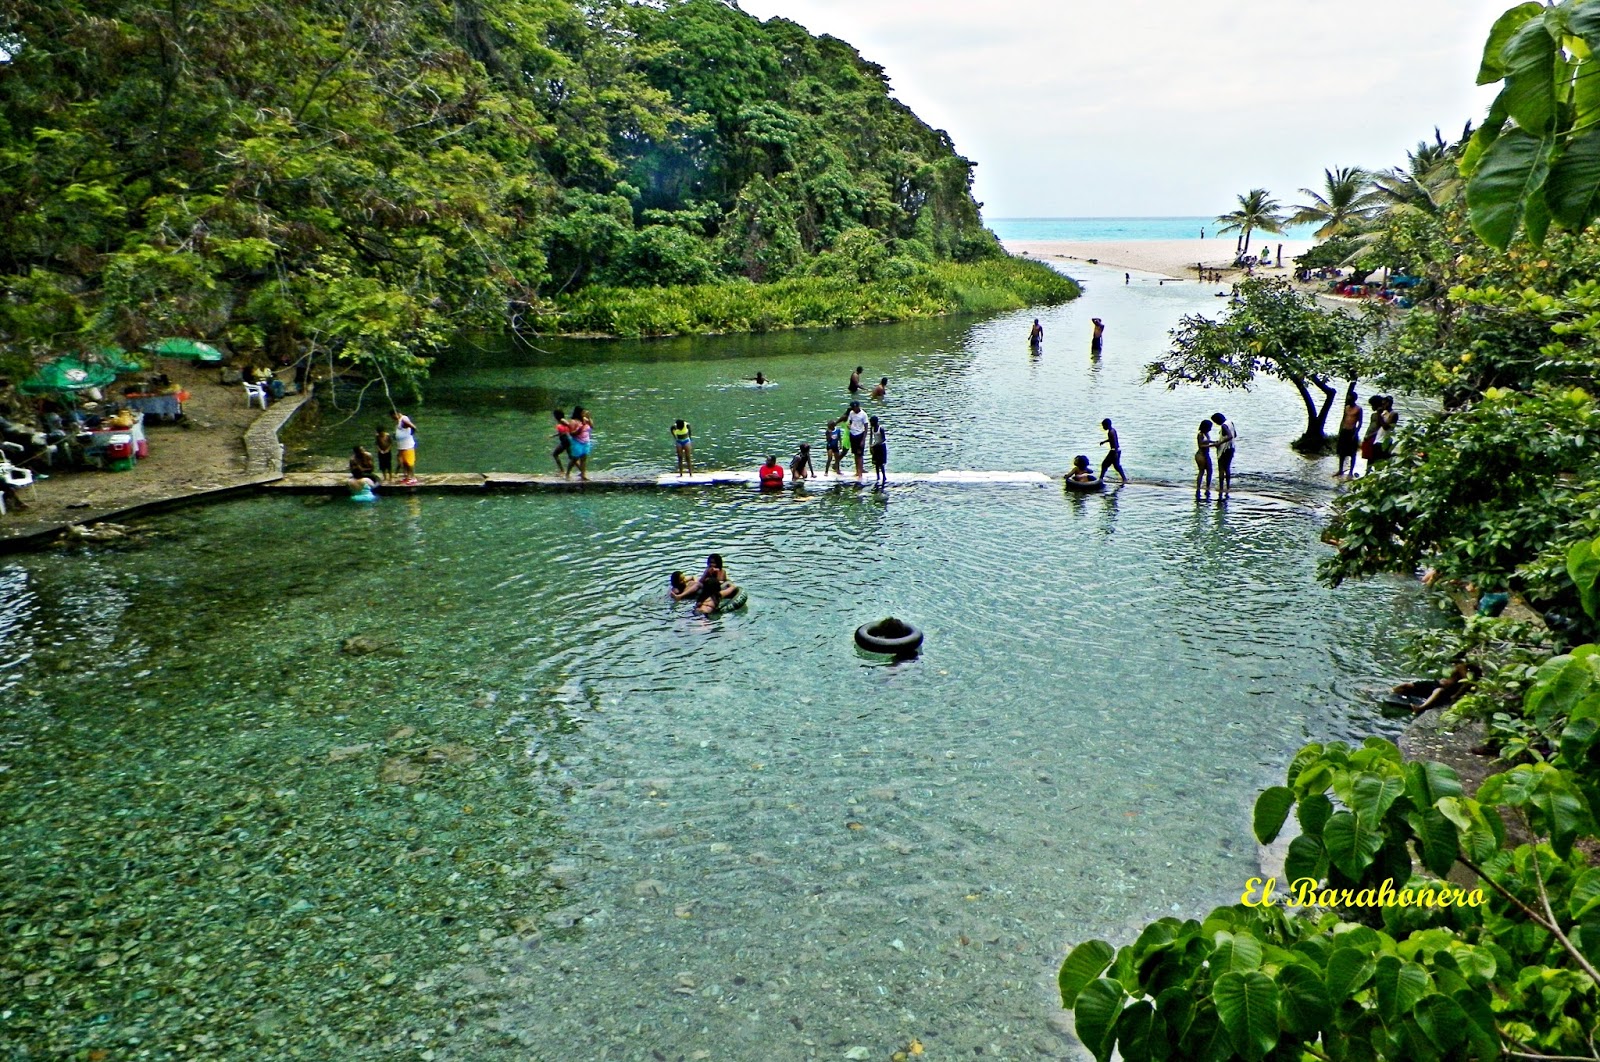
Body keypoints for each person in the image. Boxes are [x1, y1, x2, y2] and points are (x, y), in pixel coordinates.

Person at [1334, 393, 1363, 478]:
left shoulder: (1358, 409)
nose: (1348, 400)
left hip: (1352, 431)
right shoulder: (1346, 408)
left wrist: (1356, 432)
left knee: (1352, 452)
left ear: (1354, 399)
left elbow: (1360, 422)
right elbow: (1343, 419)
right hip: (1344, 430)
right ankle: (1340, 470)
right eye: (1348, 399)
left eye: (1350, 399)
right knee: (1342, 452)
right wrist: (1340, 431)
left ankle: (1351, 472)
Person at [1211, 412, 1236, 496]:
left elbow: (1229, 436)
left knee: (1221, 468)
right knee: (1227, 468)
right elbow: (1234, 435)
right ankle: (1228, 486)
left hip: (1224, 449)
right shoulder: (1230, 422)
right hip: (1231, 447)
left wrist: (1219, 443)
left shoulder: (1224, 426)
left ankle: (1221, 487)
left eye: (1215, 422)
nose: (1216, 424)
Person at [844, 401, 870, 479]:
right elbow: (850, 421)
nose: (854, 409)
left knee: (860, 454)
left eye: (854, 407)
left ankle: (860, 472)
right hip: (853, 434)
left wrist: (863, 440)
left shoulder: (863, 414)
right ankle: (857, 471)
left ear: (858, 406)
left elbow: (866, 427)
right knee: (855, 454)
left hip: (860, 434)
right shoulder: (851, 413)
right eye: (853, 408)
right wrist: (849, 425)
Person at [1098, 418, 1127, 484]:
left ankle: (1100, 479)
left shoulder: (1111, 432)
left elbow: (1114, 442)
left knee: (1104, 464)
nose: (1103, 427)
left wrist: (1115, 452)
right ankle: (1124, 479)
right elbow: (1111, 439)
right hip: (1116, 450)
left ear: (1107, 425)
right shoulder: (1112, 430)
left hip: (1114, 451)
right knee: (1116, 466)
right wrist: (1104, 441)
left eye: (1103, 426)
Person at [393, 410, 418, 485]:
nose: (393, 418)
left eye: (393, 416)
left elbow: (413, 427)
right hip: (401, 446)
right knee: (403, 462)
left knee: (409, 462)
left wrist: (410, 434)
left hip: (407, 446)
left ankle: (412, 477)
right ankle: (407, 477)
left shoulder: (404, 419)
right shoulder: (399, 421)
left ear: (395, 414)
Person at [568, 406, 593, 481]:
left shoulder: (585, 419)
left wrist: (589, 418)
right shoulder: (573, 421)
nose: (584, 413)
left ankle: (583, 474)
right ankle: (568, 473)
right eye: (583, 412)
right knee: (575, 459)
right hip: (577, 441)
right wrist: (580, 428)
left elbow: (591, 426)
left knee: (584, 458)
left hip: (586, 441)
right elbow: (572, 433)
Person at [1360, 396, 1384, 474]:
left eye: (1372, 405)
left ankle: (1376, 474)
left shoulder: (1381, 415)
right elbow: (1371, 426)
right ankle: (1367, 473)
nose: (1372, 407)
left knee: (1375, 458)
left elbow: (1380, 429)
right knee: (1369, 457)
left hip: (1374, 438)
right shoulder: (1373, 415)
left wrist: (1370, 436)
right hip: (1369, 437)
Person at [1194, 420, 1215, 498]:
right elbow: (1201, 446)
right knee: (1202, 472)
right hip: (1201, 455)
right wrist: (1212, 445)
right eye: (1209, 427)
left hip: (1206, 454)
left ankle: (1207, 487)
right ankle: (1199, 488)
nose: (1210, 429)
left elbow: (1207, 441)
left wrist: (1214, 442)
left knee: (1210, 471)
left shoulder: (1206, 434)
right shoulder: (1200, 435)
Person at [868, 416, 888, 486]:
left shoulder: (880, 429)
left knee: (881, 463)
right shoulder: (872, 429)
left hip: (881, 447)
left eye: (871, 422)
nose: (870, 423)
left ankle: (884, 476)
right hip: (875, 446)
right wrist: (870, 445)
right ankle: (878, 477)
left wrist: (875, 444)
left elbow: (883, 439)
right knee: (876, 463)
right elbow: (870, 437)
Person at [551, 409, 572, 475]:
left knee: (555, 454)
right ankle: (581, 470)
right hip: (566, 440)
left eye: (554, 415)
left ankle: (562, 471)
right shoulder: (560, 421)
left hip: (565, 440)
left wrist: (569, 433)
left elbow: (569, 425)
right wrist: (554, 435)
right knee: (571, 457)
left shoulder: (562, 420)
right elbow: (562, 431)